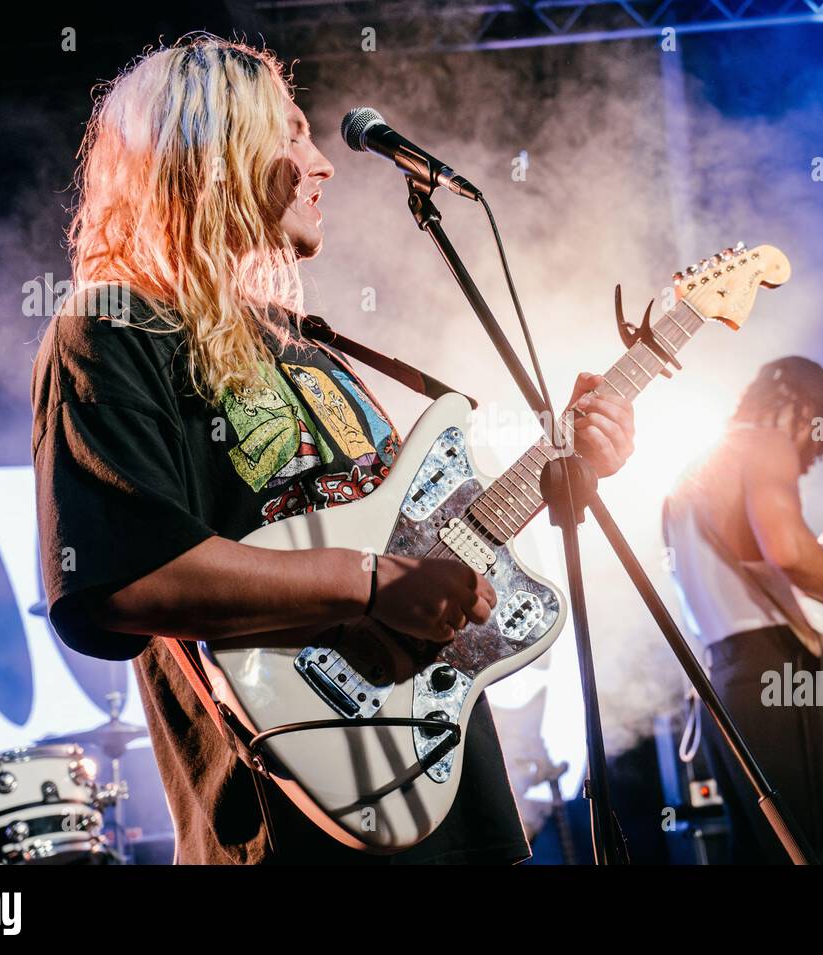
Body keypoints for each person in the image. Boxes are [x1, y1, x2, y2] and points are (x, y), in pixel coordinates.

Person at [31, 35, 635, 864]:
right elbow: (122, 577)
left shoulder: (303, 339)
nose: (325, 165)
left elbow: (427, 548)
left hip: (448, 792)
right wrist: (369, 582)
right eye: (292, 135)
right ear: (215, 154)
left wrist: (559, 474)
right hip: (293, 813)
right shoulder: (111, 328)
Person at [662, 357, 823, 864]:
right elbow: (788, 548)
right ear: (796, 407)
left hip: (728, 690)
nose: (818, 452)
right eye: (818, 432)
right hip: (786, 675)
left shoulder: (685, 484)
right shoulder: (763, 442)